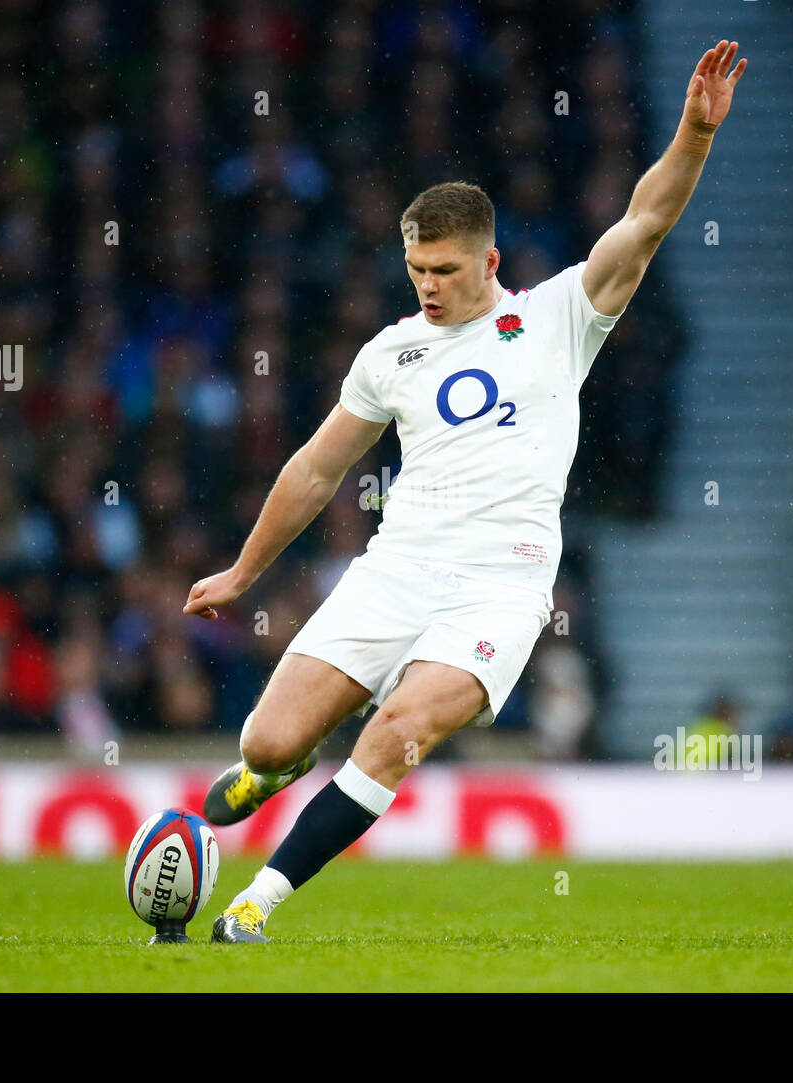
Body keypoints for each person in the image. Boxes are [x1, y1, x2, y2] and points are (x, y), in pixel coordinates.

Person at [184, 40, 748, 943]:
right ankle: (266, 774)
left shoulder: (559, 316)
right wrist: (245, 572)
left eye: (446, 270)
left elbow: (643, 223)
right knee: (270, 742)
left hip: (501, 586)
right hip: (396, 568)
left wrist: (692, 134)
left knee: (398, 729)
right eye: (416, 270)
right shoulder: (391, 353)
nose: (429, 287)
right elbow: (317, 467)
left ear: (490, 262)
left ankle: (258, 903)